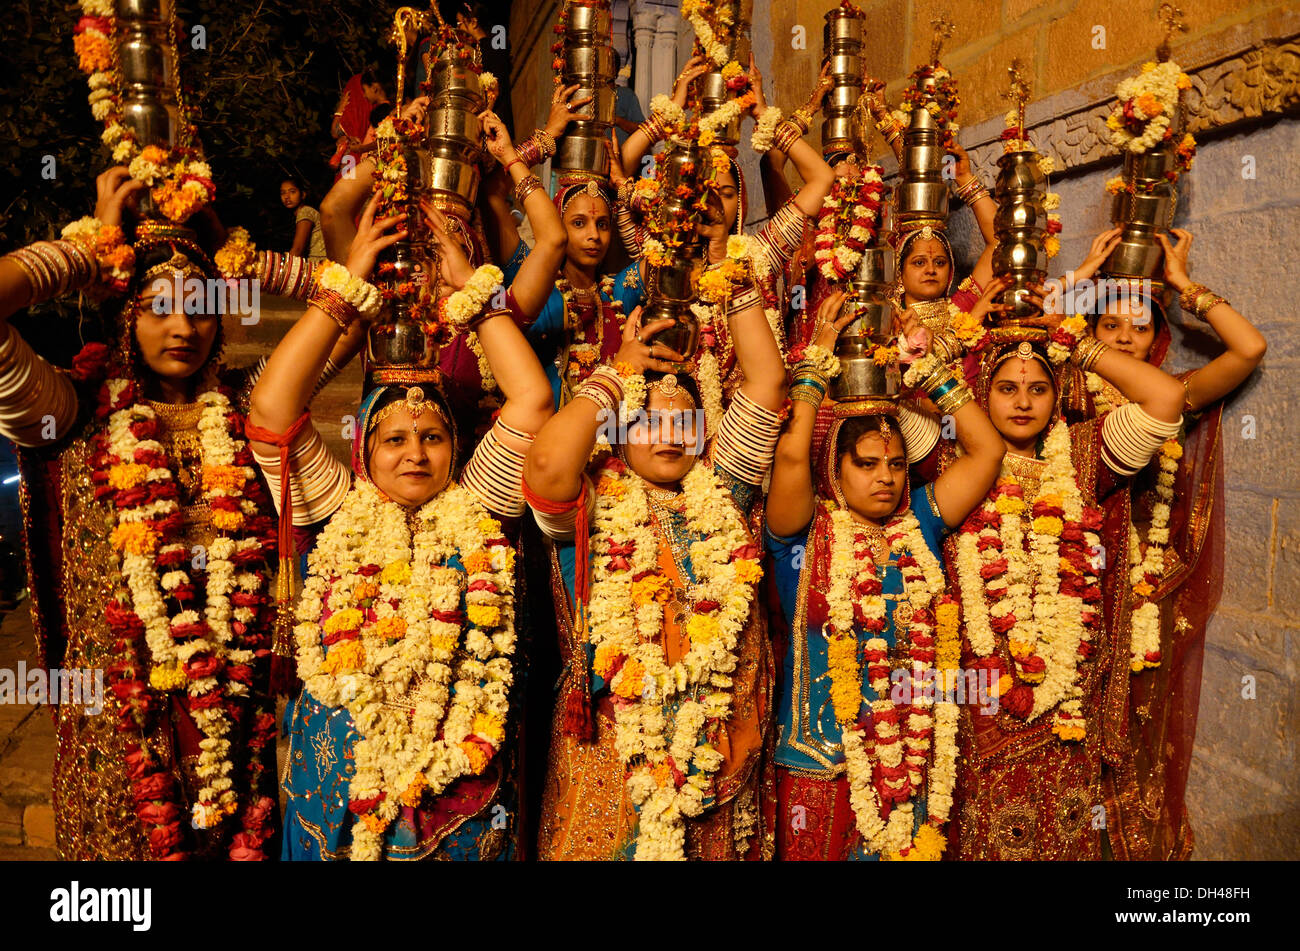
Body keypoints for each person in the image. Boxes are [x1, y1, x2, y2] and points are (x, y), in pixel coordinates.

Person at [0, 167, 365, 859]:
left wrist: (239, 257)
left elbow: (342, 304)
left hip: (235, 720)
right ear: (124, 312)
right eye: (158, 305)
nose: (183, 327)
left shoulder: (249, 410)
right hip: (121, 729)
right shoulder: (70, 416)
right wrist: (89, 250)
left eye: (202, 306)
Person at [249, 184, 557, 860]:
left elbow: (532, 399)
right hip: (339, 798)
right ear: (364, 447)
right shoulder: (334, 507)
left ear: (456, 447)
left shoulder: (478, 502)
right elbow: (271, 410)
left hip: (458, 805)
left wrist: (469, 291)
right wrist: (344, 291)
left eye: (432, 437)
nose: (415, 453)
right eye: (395, 439)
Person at [522, 268, 788, 860]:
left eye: (683, 421)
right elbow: (542, 467)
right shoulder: (589, 503)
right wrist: (616, 376)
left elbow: (768, 383)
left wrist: (732, 273)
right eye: (648, 421)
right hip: (616, 756)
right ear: (618, 430)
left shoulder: (726, 490)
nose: (668, 435)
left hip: (718, 751)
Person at [921, 304, 1187, 859]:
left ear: (1059, 391)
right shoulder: (954, 456)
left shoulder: (1087, 456)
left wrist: (1080, 347)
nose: (1022, 402)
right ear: (979, 393)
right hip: (979, 701)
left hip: (1068, 699)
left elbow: (1165, 399)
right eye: (1006, 388)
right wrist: (936, 357)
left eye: (1039, 389)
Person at [765, 290, 1005, 860]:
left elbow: (986, 451)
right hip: (820, 760)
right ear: (836, 467)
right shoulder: (802, 530)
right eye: (867, 464)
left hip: (911, 760)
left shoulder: (918, 521)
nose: (886, 478)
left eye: (896, 464)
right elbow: (792, 458)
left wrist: (926, 366)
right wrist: (815, 366)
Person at [1059, 226, 1265, 859]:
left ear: (1157, 336)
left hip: (1145, 595)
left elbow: (1249, 347)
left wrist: (1182, 284)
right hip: (1069, 589)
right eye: (1109, 325)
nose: (1124, 337)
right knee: (1064, 734)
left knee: (1136, 741)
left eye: (1139, 328)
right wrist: (1079, 284)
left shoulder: (1176, 396)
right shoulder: (1058, 393)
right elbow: (1009, 335)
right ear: (1089, 333)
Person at [620, 55, 836, 404]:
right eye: (704, 191)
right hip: (679, 430)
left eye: (726, 193)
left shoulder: (761, 253)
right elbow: (616, 173)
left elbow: (822, 178)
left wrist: (762, 116)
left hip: (756, 424)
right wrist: (669, 114)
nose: (714, 203)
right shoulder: (661, 260)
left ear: (742, 201)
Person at [330, 70, 389, 181]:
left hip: (358, 160)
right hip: (369, 165)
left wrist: (340, 110)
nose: (363, 95)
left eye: (364, 90)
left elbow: (334, 131)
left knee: (346, 191)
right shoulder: (384, 110)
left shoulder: (379, 113)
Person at [280, 178, 328, 263]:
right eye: (283, 193)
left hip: (319, 264)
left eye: (292, 192)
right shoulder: (302, 213)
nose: (286, 196)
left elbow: (298, 250)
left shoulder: (305, 212)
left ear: (303, 195)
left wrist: (284, 267)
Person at [611, 49, 645, 149]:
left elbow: (641, 130)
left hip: (621, 156)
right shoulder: (588, 93)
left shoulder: (626, 94)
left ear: (616, 70)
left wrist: (617, 120)